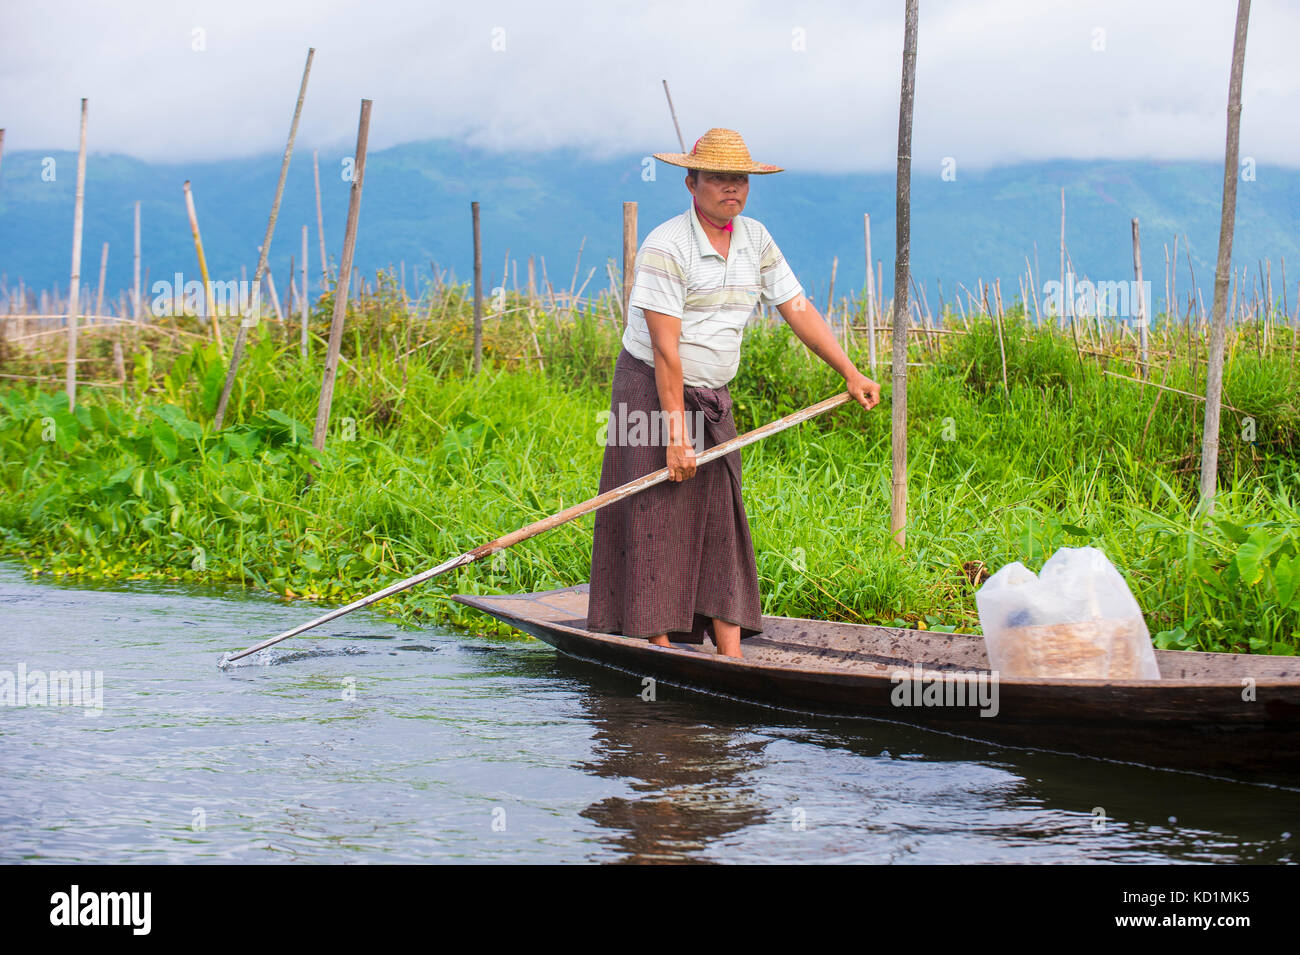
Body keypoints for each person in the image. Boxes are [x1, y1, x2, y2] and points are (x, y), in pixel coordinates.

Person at [586, 128, 880, 659]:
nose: (732, 189)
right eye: (720, 178)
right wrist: (676, 438)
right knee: (658, 508)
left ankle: (730, 651)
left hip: (712, 391)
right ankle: (658, 644)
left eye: (740, 179)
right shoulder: (666, 246)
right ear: (690, 182)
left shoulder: (756, 239)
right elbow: (667, 352)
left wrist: (849, 371)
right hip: (649, 390)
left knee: (722, 509)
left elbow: (797, 308)